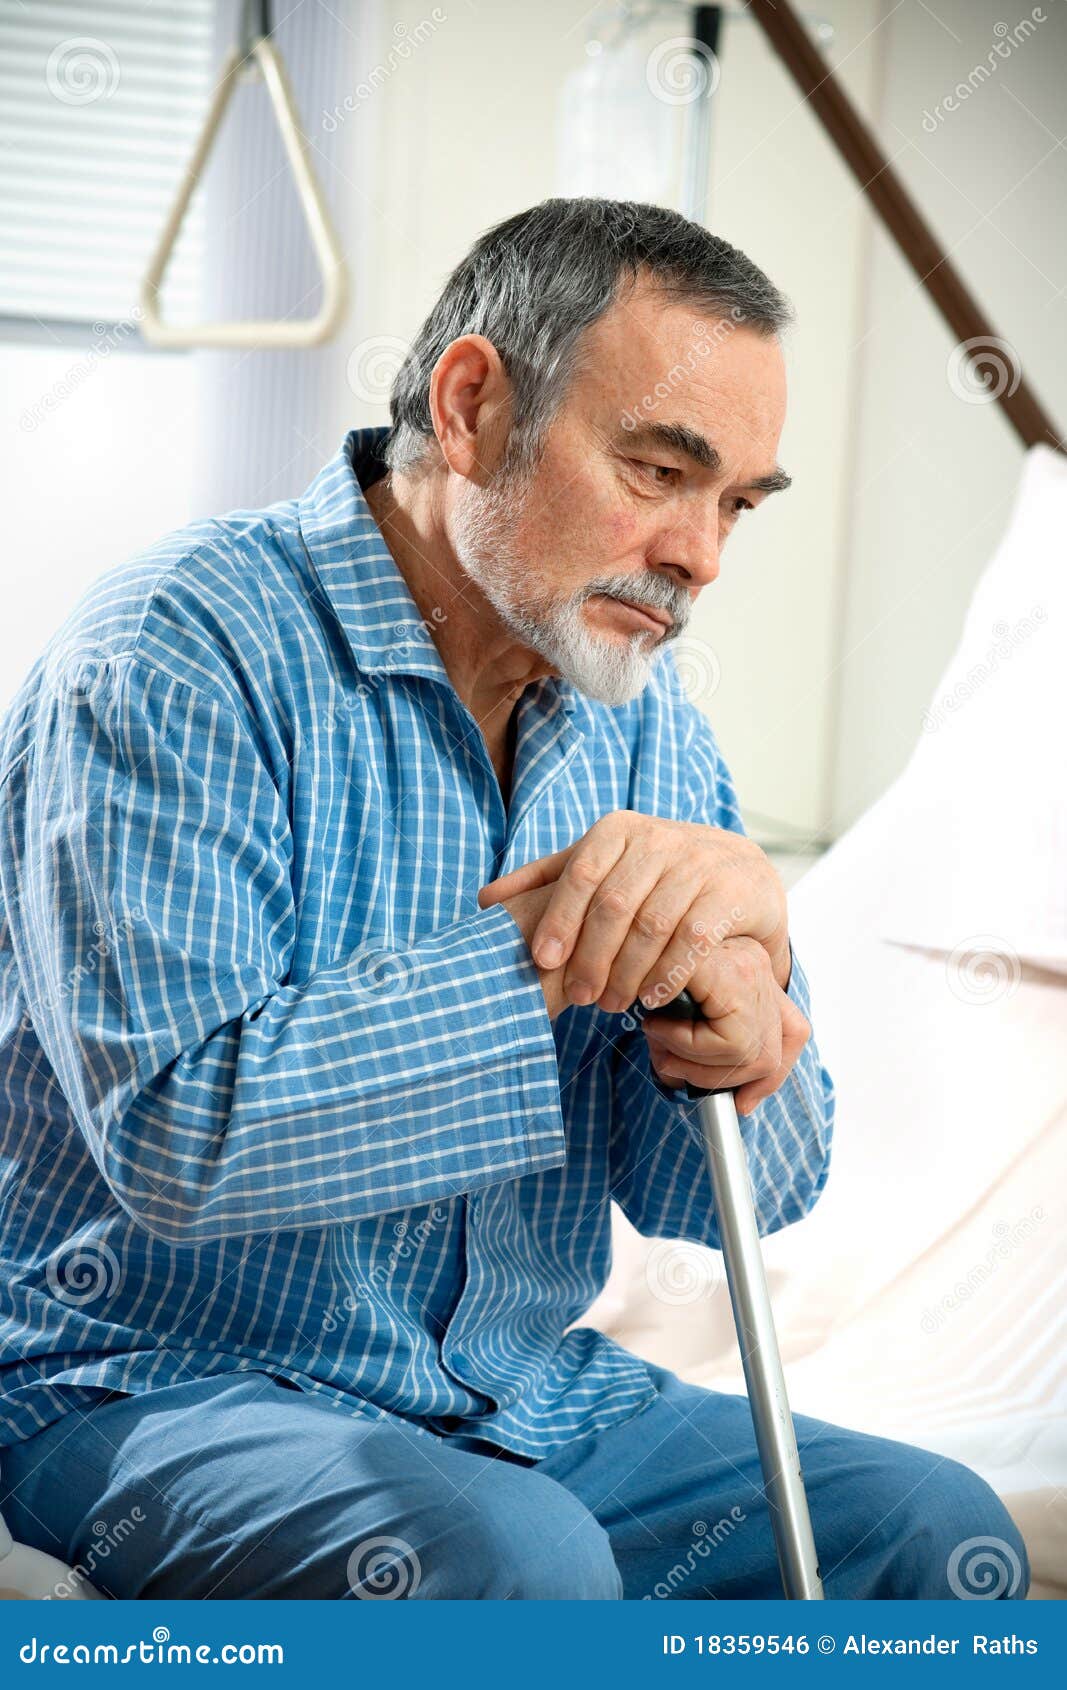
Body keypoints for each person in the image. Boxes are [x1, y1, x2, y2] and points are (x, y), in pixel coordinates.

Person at [0, 199, 1028, 1601]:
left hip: (518, 1391)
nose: (702, 556)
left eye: (734, 502)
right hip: (155, 1379)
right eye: (662, 470)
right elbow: (181, 1140)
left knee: (936, 1532)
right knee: (514, 1562)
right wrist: (549, 950)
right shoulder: (173, 654)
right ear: (473, 405)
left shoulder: (652, 730)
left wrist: (742, 1026)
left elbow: (731, 1200)